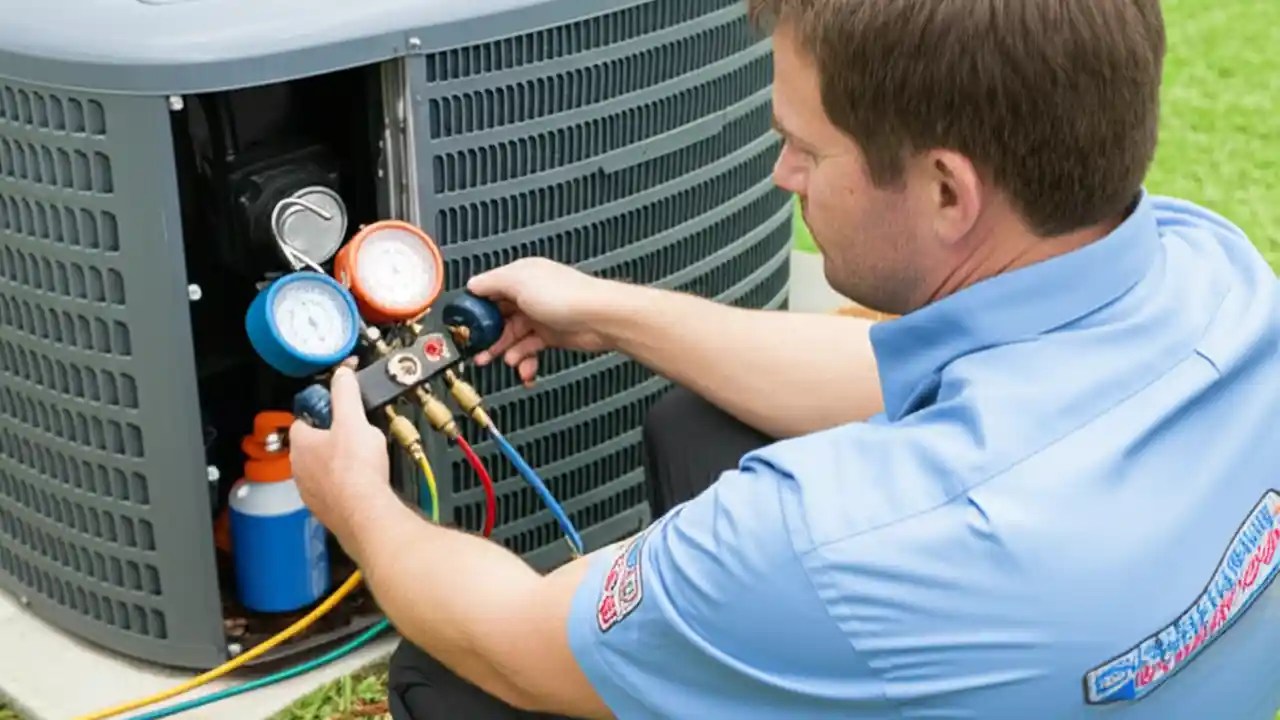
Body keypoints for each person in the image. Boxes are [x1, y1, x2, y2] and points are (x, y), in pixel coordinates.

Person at [287, 0, 1280, 717]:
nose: (780, 172)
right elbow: (867, 376)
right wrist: (610, 310)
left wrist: (360, 506)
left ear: (946, 191)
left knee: (449, 683)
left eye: (804, 146)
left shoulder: (824, 543)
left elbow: (509, 641)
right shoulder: (1214, 271)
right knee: (698, 426)